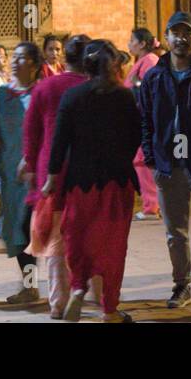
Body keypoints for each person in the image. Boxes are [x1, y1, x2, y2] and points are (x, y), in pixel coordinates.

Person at [43, 40, 142, 323]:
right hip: (117, 182)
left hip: (79, 182)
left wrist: (51, 179)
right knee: (112, 245)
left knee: (79, 238)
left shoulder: (72, 97)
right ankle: (109, 309)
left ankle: (77, 287)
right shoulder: (124, 97)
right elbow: (137, 135)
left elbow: (59, 143)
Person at [137, 11, 191, 311]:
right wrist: (151, 157)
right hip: (167, 163)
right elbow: (145, 120)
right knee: (175, 231)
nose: (181, 37)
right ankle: (181, 285)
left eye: (187, 32)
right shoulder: (154, 76)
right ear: (165, 38)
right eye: (175, 32)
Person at [20, 34, 90, 318]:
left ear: (65, 57)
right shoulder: (94, 88)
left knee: (55, 243)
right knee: (86, 237)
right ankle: (91, 294)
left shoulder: (45, 87)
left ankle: (57, 303)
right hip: (89, 175)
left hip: (51, 173)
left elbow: (31, 131)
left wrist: (29, 163)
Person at [0, 42, 43, 304]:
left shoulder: (41, 94)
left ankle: (73, 287)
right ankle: (30, 287)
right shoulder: (1, 94)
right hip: (9, 176)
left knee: (32, 230)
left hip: (35, 176)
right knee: (16, 233)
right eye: (14, 57)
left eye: (22, 58)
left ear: (34, 65)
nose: (14, 62)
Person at [126, 27, 161, 221]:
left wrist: (137, 83)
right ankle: (152, 204)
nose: (129, 44)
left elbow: (149, 89)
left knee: (142, 160)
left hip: (146, 120)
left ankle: (151, 206)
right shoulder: (141, 61)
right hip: (139, 120)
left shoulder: (149, 61)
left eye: (132, 40)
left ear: (142, 43)